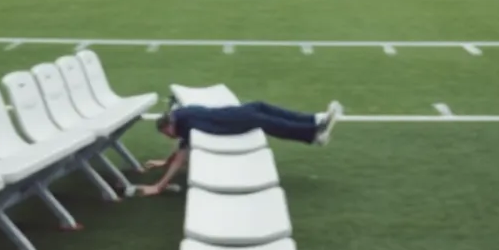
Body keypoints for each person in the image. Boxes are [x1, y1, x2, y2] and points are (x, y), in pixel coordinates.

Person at [134, 100, 343, 196]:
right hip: (231, 118)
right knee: (264, 118)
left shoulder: (184, 124)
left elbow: (180, 155)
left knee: (261, 107)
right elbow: (180, 152)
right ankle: (313, 133)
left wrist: (159, 185)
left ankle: (315, 121)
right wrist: (165, 164)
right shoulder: (182, 117)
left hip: (232, 119)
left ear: (170, 125)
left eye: (167, 132)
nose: (169, 136)